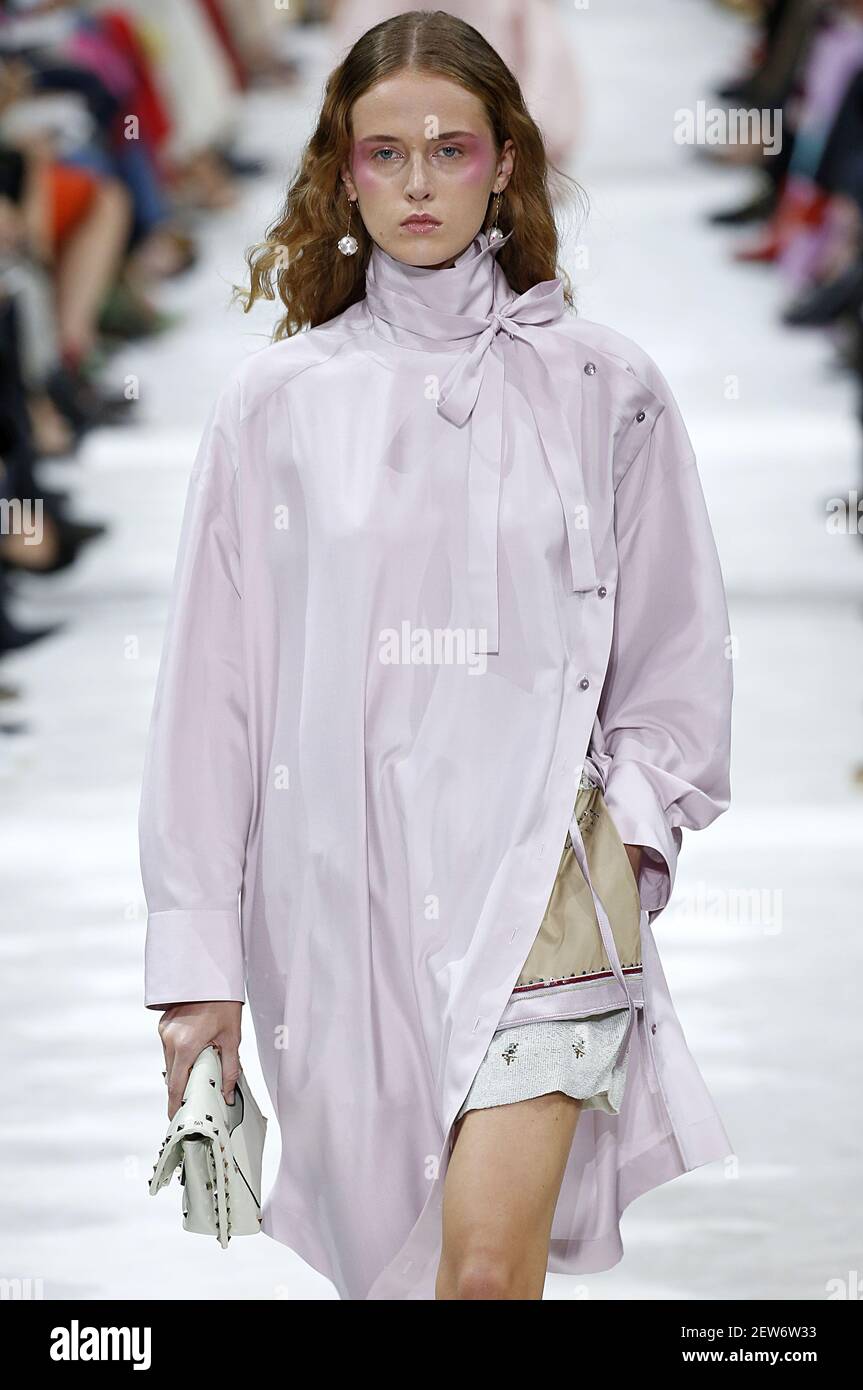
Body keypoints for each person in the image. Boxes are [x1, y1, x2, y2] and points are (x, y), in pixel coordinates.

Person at [139, 10, 735, 1302]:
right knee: (401, 1277)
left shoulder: (602, 384)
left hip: (548, 886)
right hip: (341, 904)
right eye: (386, 153)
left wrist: (630, 840)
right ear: (342, 172)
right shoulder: (279, 406)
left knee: (479, 1270)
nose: (418, 184)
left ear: (505, 162)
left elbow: (678, 657)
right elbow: (211, 700)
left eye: (451, 150)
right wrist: (197, 965)